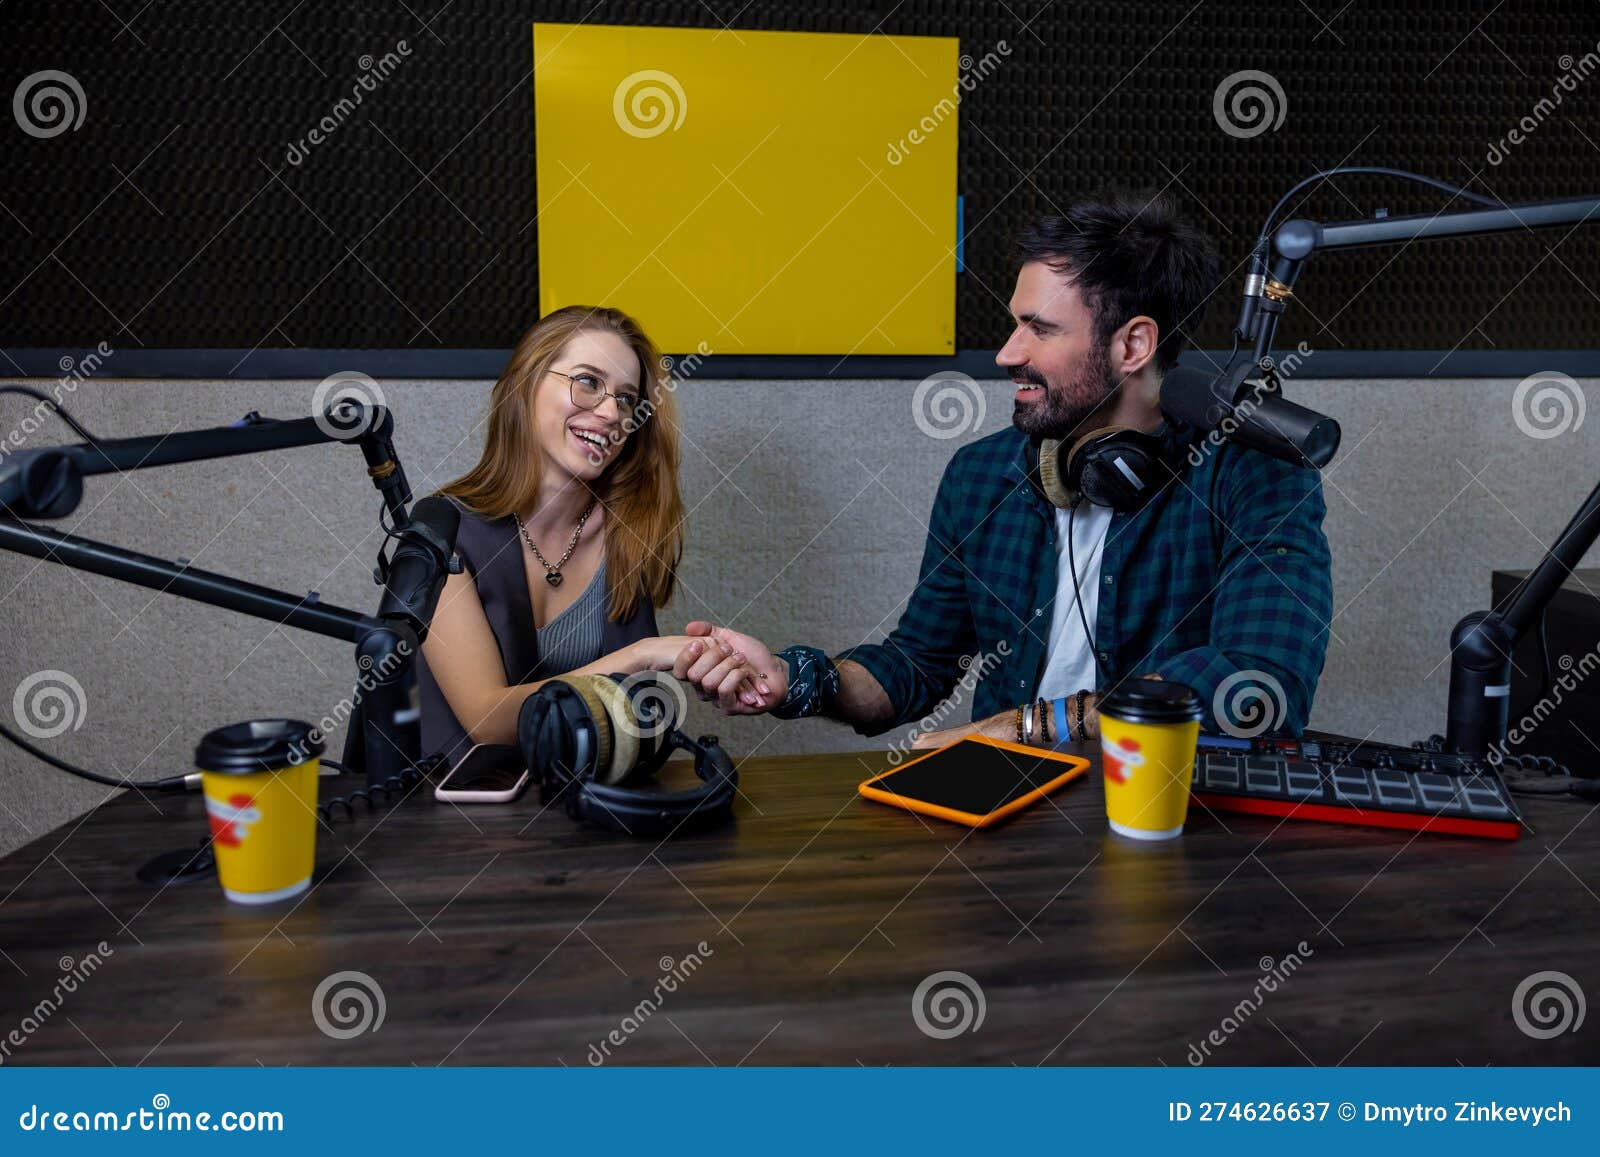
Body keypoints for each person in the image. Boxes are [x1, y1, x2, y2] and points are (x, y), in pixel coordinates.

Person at [673, 190, 1333, 748]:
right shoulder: (981, 475)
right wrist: (794, 679)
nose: (1006, 353)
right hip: (1008, 817)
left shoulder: (1252, 474)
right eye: (1014, 325)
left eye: (1039, 329)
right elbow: (915, 666)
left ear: (1133, 344)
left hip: (1166, 815)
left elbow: (1259, 685)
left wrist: (1022, 727)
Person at [417, 306, 776, 770]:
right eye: (588, 381)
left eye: (627, 399)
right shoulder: (440, 530)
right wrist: (644, 654)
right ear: (526, 383)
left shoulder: (628, 532)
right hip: (449, 804)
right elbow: (488, 720)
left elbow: (636, 715)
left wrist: (709, 663)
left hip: (588, 802)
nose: (611, 413)